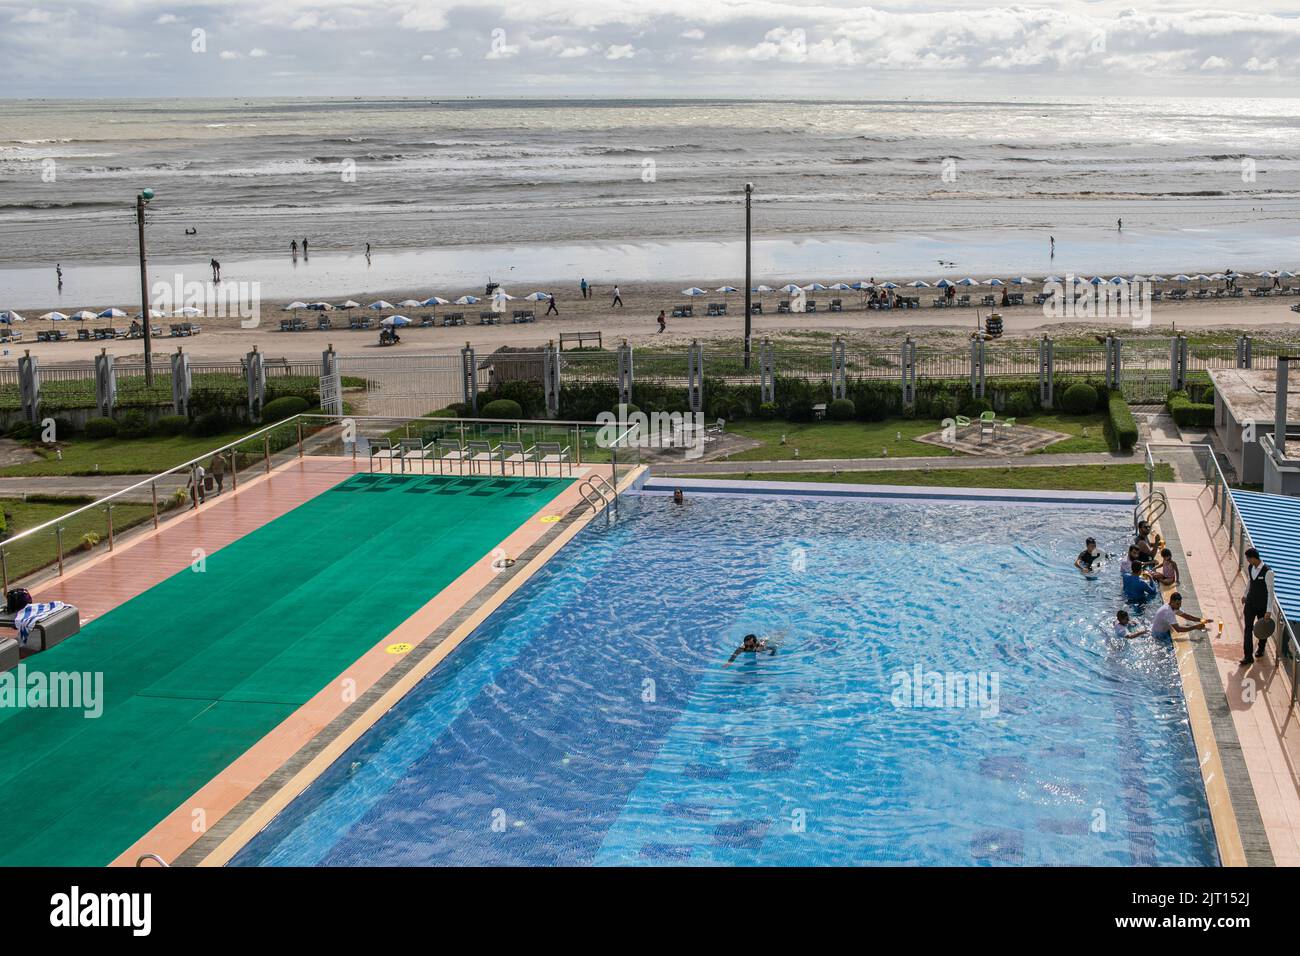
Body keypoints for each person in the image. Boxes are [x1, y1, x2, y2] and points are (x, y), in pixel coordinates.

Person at [1240, 547, 1275, 665]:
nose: (1247, 561)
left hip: (1262, 605)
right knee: (1248, 629)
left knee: (1262, 628)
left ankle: (1261, 648)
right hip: (1250, 603)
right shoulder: (1251, 567)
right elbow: (1250, 581)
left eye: (1248, 559)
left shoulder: (1268, 572)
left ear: (1253, 558)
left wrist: (1269, 611)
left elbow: (1271, 592)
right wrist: (1245, 595)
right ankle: (1247, 655)